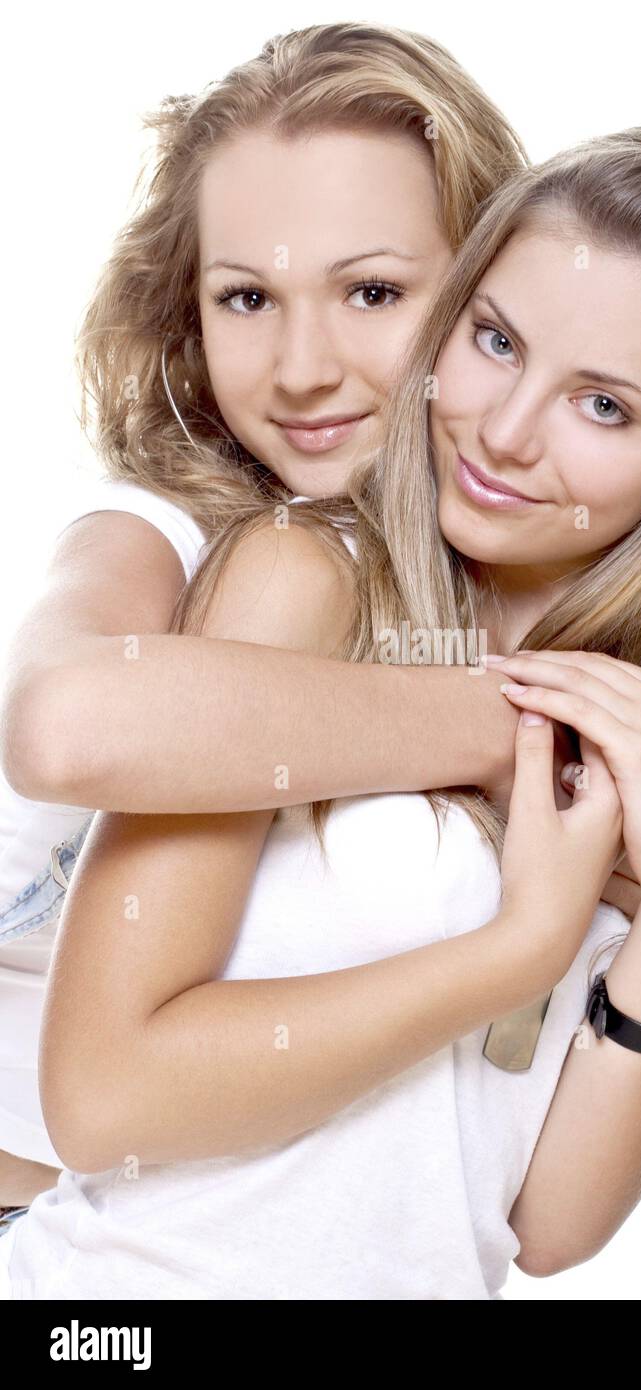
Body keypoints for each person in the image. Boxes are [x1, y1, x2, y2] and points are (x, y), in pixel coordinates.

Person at [0, 123, 641, 1298]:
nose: (503, 429)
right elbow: (102, 1096)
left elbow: (540, 1224)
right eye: (495, 342)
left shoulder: (626, 733)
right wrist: (518, 944)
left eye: (603, 406)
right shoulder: (304, 578)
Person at [0, 18, 557, 1210]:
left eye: (370, 290)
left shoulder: (469, 587)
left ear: (485, 297)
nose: (302, 366)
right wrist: (505, 726)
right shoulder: (172, 533)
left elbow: (528, 1186)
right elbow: (63, 722)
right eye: (246, 297)